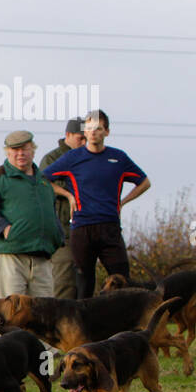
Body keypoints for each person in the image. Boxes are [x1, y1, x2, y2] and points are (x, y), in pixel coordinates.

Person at [45, 109, 150, 298]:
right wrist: (68, 195)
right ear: (85, 132)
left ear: (107, 132)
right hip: (82, 228)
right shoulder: (72, 158)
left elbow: (144, 182)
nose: (94, 132)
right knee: (84, 285)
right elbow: (42, 179)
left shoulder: (118, 158)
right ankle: (85, 327)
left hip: (110, 227)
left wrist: (123, 202)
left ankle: (125, 327)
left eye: (99, 128)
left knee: (122, 281)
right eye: (90, 128)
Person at [0, 130, 74, 308]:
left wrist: (56, 237)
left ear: (33, 150)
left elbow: (51, 212)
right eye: (15, 149)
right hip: (10, 256)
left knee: (45, 316)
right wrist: (5, 229)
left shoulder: (44, 182)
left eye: (25, 149)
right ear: (7, 152)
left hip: (42, 259)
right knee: (9, 315)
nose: (20, 154)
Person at [39, 117, 86, 298]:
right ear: (68, 135)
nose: (83, 143)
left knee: (84, 282)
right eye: (79, 138)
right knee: (63, 281)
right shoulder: (53, 158)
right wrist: (68, 194)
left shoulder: (87, 158)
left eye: (85, 139)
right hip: (62, 230)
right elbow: (41, 183)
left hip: (84, 227)